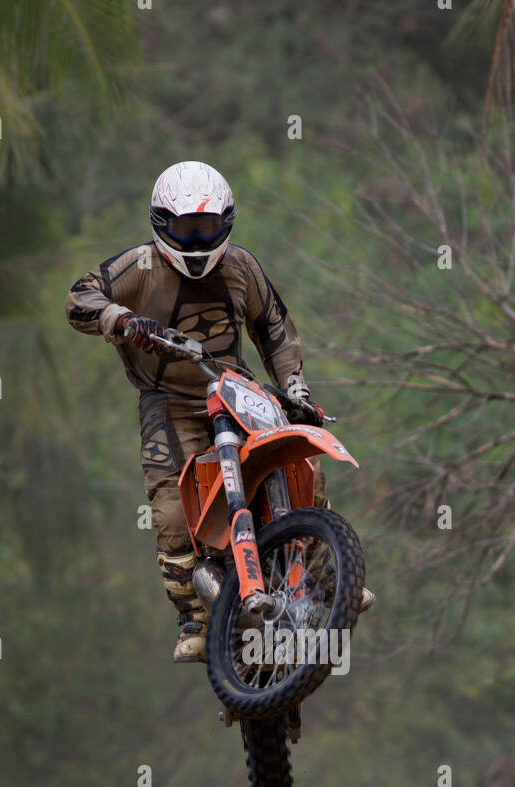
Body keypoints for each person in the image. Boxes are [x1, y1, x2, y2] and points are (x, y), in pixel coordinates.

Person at [66, 160, 374, 662]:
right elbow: (78, 297)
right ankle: (193, 612)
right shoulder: (138, 267)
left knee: (299, 457)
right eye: (185, 228)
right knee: (168, 507)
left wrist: (294, 387)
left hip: (235, 388)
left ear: (226, 223)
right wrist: (118, 318)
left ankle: (324, 570)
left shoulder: (240, 267)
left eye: (206, 228)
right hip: (169, 402)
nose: (194, 240)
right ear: (162, 222)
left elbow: (274, 329)